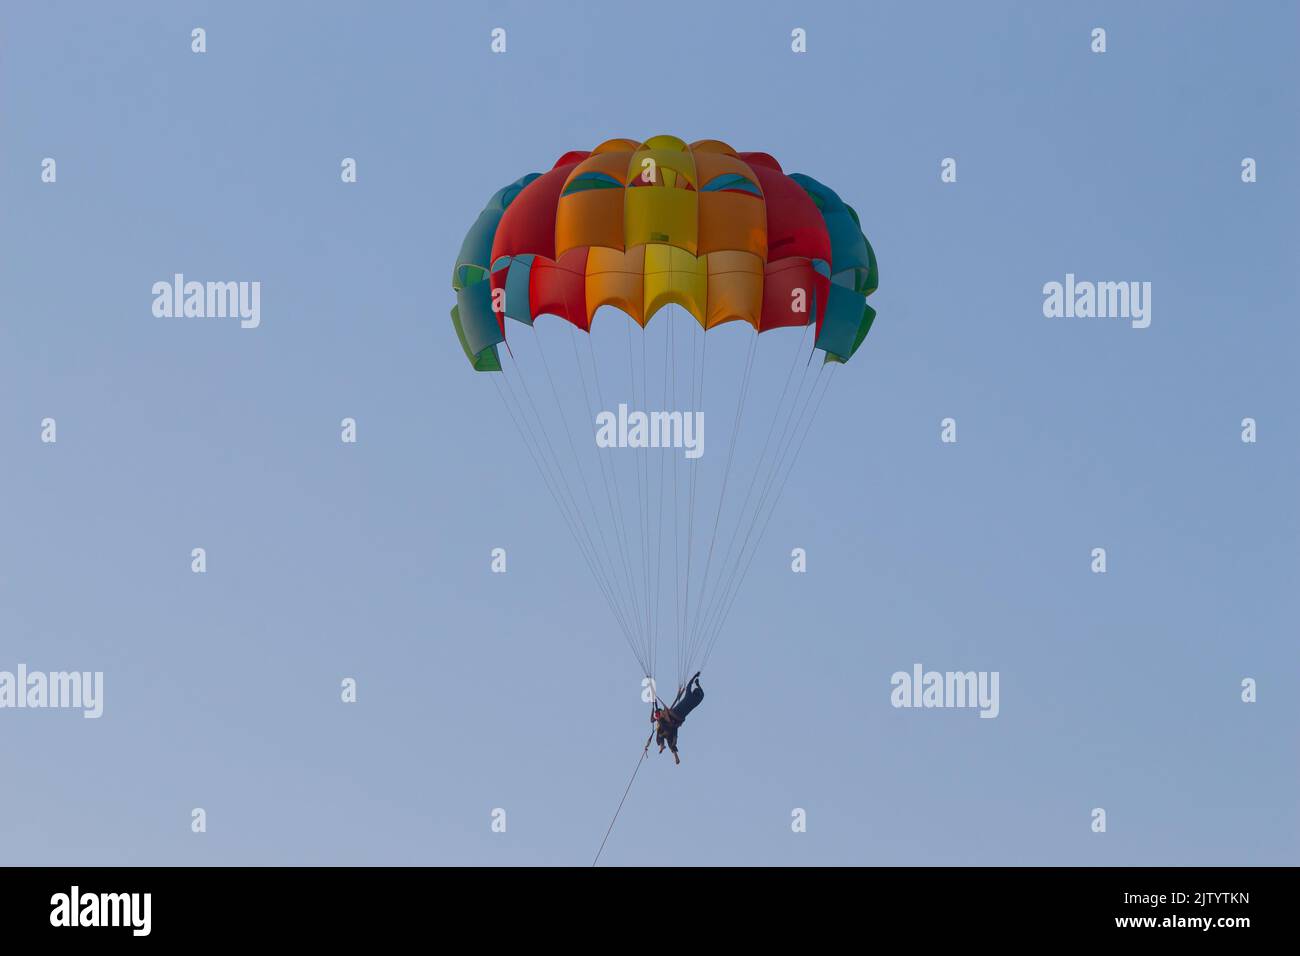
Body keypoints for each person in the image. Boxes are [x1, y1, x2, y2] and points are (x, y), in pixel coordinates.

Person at [651, 673, 704, 765]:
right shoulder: (697, 699)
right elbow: (700, 693)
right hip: (675, 721)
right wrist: (698, 684)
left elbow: (690, 686)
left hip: (676, 719)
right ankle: (674, 753)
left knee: (661, 727)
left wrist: (696, 677)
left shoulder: (694, 698)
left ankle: (662, 745)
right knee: (668, 734)